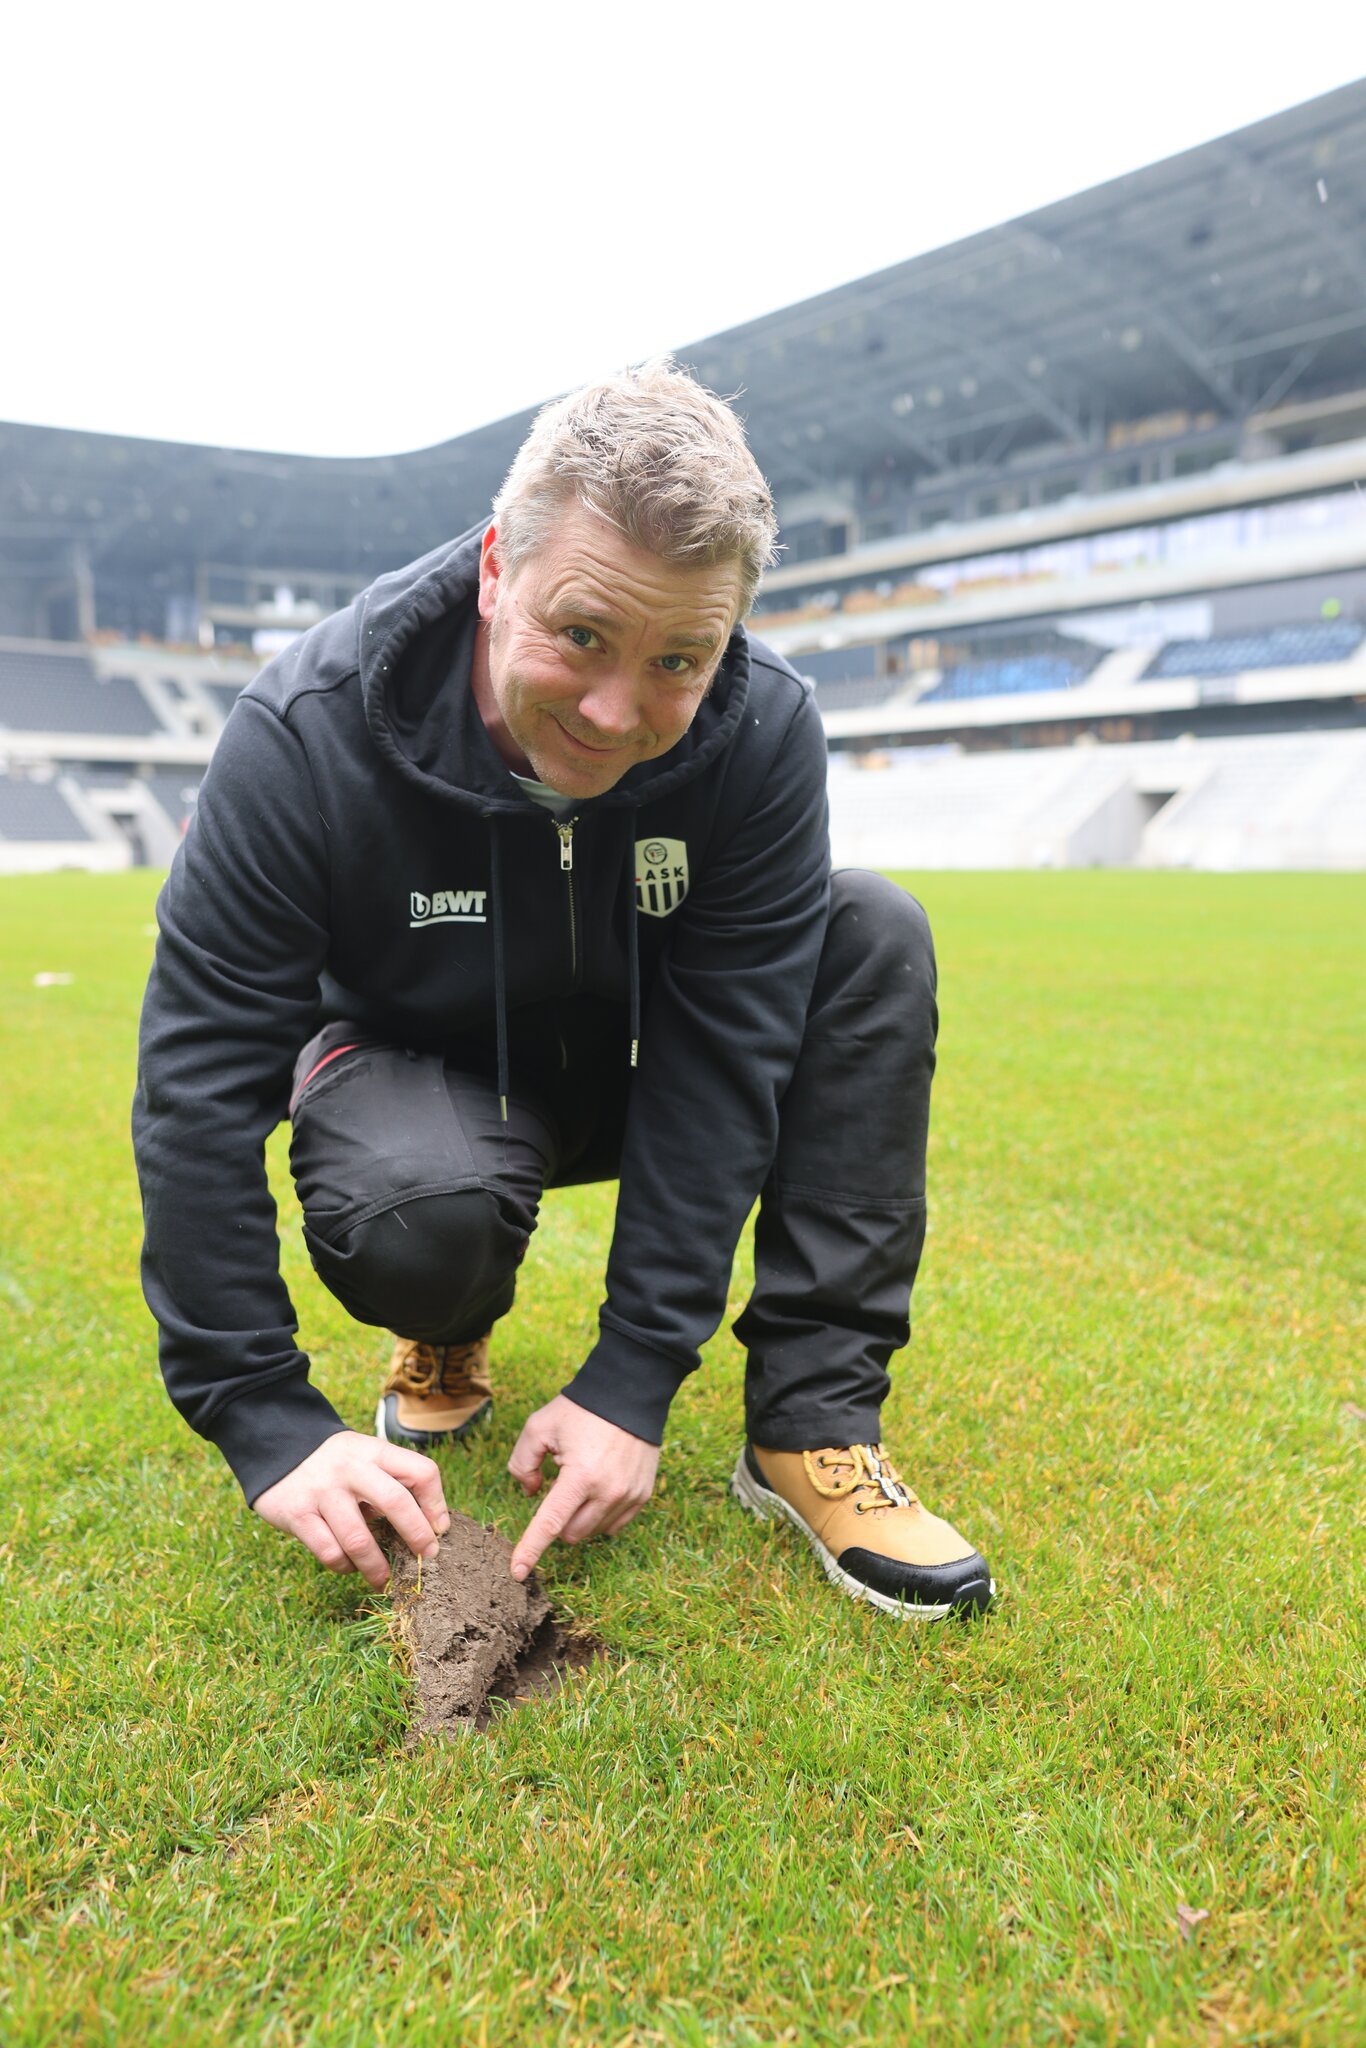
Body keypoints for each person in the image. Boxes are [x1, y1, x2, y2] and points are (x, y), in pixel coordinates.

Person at [133, 360, 994, 1622]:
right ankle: (450, 1316)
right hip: (427, 1078)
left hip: (641, 1064)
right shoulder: (307, 729)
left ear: (728, 636)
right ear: (495, 570)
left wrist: (631, 1379)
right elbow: (199, 1075)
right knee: (420, 1214)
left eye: (678, 660)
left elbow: (724, 1060)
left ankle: (811, 1422)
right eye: (580, 634)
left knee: (869, 930)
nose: (615, 710)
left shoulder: (759, 734)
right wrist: (263, 1412)